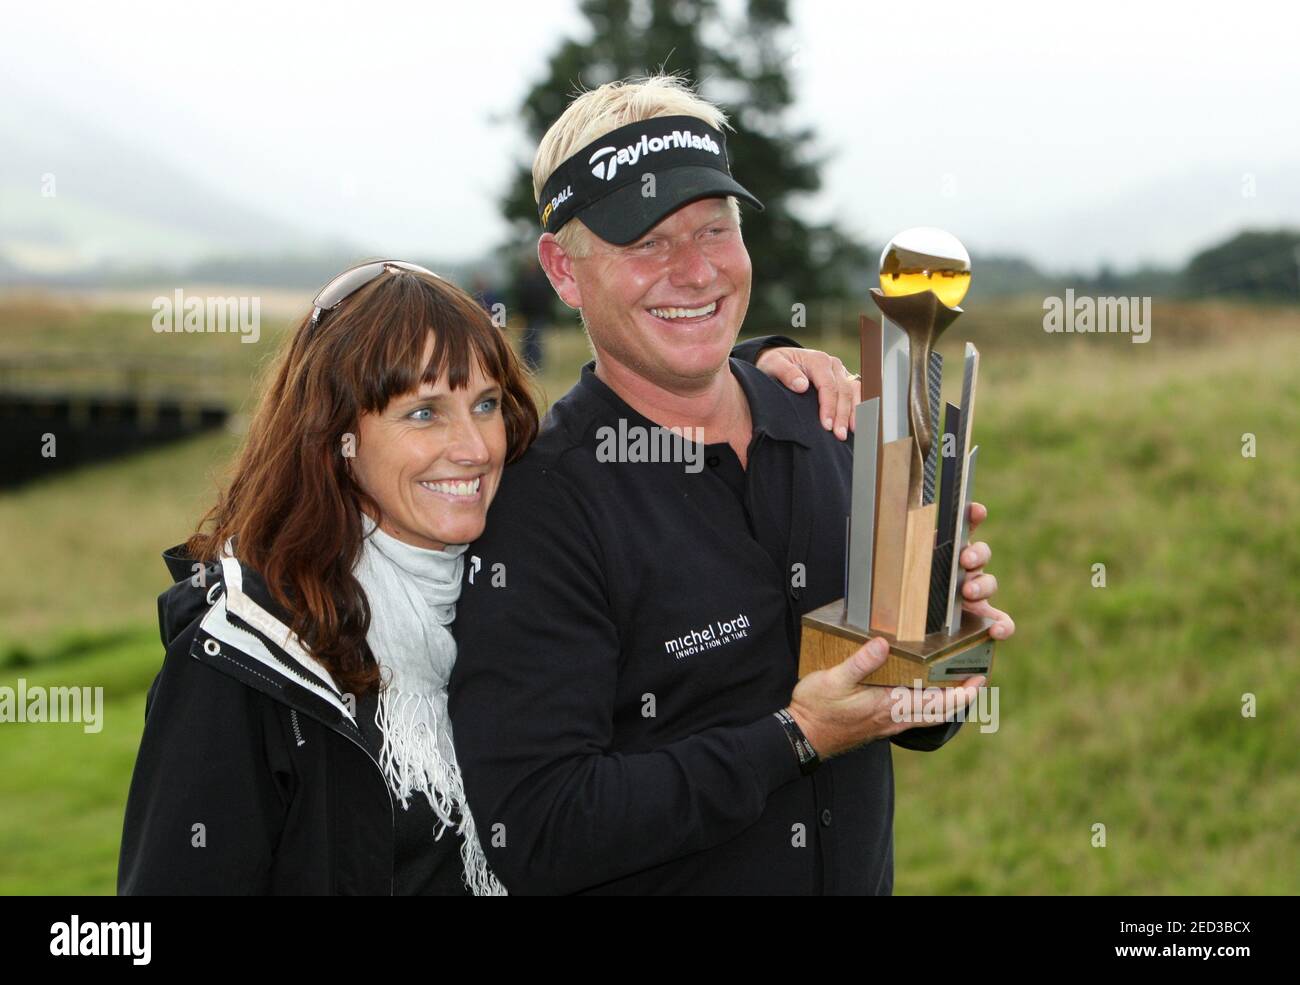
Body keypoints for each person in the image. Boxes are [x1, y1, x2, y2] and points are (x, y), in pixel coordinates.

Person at [116, 258, 865, 895]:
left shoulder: (512, 578)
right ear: (335, 437)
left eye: (484, 405)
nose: (472, 446)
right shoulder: (245, 659)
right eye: (422, 414)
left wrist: (769, 367)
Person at [448, 75, 1017, 895]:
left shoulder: (830, 424)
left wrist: (946, 646)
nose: (693, 271)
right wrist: (796, 736)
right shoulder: (539, 507)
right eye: (645, 242)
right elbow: (535, 828)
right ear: (564, 272)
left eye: (715, 228)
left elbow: (907, 713)